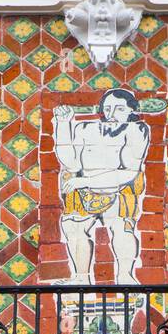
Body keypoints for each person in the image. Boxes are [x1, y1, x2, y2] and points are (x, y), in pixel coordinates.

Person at [53, 89, 150, 285]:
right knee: (72, 226)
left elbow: (129, 172)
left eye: (120, 109)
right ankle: (81, 278)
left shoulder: (136, 130)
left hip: (118, 190)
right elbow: (71, 163)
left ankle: (125, 275)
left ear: (131, 110)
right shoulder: (85, 129)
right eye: (107, 108)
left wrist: (85, 181)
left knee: (122, 227)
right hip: (84, 191)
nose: (112, 114)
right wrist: (63, 126)